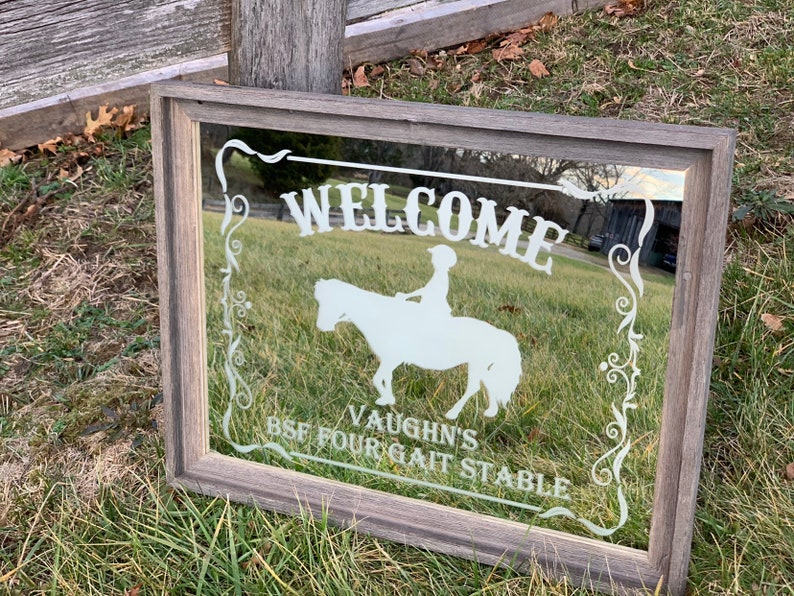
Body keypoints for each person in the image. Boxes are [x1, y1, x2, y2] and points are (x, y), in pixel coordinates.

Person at [396, 244, 457, 318]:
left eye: (434, 257)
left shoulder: (441, 276)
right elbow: (426, 290)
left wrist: (407, 296)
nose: (432, 260)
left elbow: (426, 291)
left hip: (434, 310)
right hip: (430, 307)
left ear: (441, 260)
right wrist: (406, 296)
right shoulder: (438, 273)